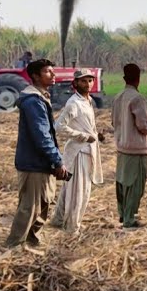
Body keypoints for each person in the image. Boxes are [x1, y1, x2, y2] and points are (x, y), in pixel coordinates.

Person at [4, 59, 69, 249]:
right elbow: (42, 135)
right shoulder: (33, 101)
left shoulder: (40, 98)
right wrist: (57, 160)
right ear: (35, 76)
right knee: (29, 208)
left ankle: (32, 243)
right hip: (33, 164)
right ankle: (13, 246)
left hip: (40, 163)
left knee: (42, 206)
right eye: (48, 71)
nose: (53, 74)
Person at [50, 69, 103, 233]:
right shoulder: (73, 103)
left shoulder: (88, 101)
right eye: (83, 81)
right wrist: (83, 136)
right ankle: (72, 227)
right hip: (78, 152)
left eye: (90, 81)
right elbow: (58, 127)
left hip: (86, 150)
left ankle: (58, 220)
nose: (87, 84)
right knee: (79, 191)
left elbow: (85, 124)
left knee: (69, 189)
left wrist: (94, 134)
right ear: (75, 83)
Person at [111, 63, 147, 229]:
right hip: (136, 149)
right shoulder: (137, 98)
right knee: (135, 185)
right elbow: (142, 126)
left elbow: (113, 121)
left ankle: (123, 215)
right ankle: (130, 219)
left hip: (121, 146)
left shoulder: (118, 97)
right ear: (138, 79)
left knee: (122, 183)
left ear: (124, 78)